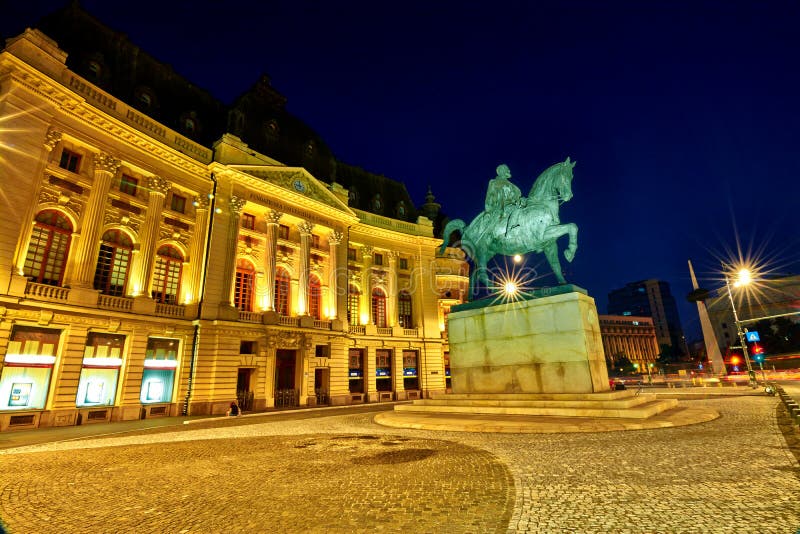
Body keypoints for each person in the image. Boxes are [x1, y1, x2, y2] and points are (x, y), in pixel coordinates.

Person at [484, 164, 526, 235]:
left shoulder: (515, 187)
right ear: (499, 171)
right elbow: (490, 198)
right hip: (503, 208)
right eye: (506, 169)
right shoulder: (494, 183)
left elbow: (518, 198)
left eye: (508, 169)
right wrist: (488, 212)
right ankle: (510, 232)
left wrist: (522, 200)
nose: (509, 170)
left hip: (516, 206)